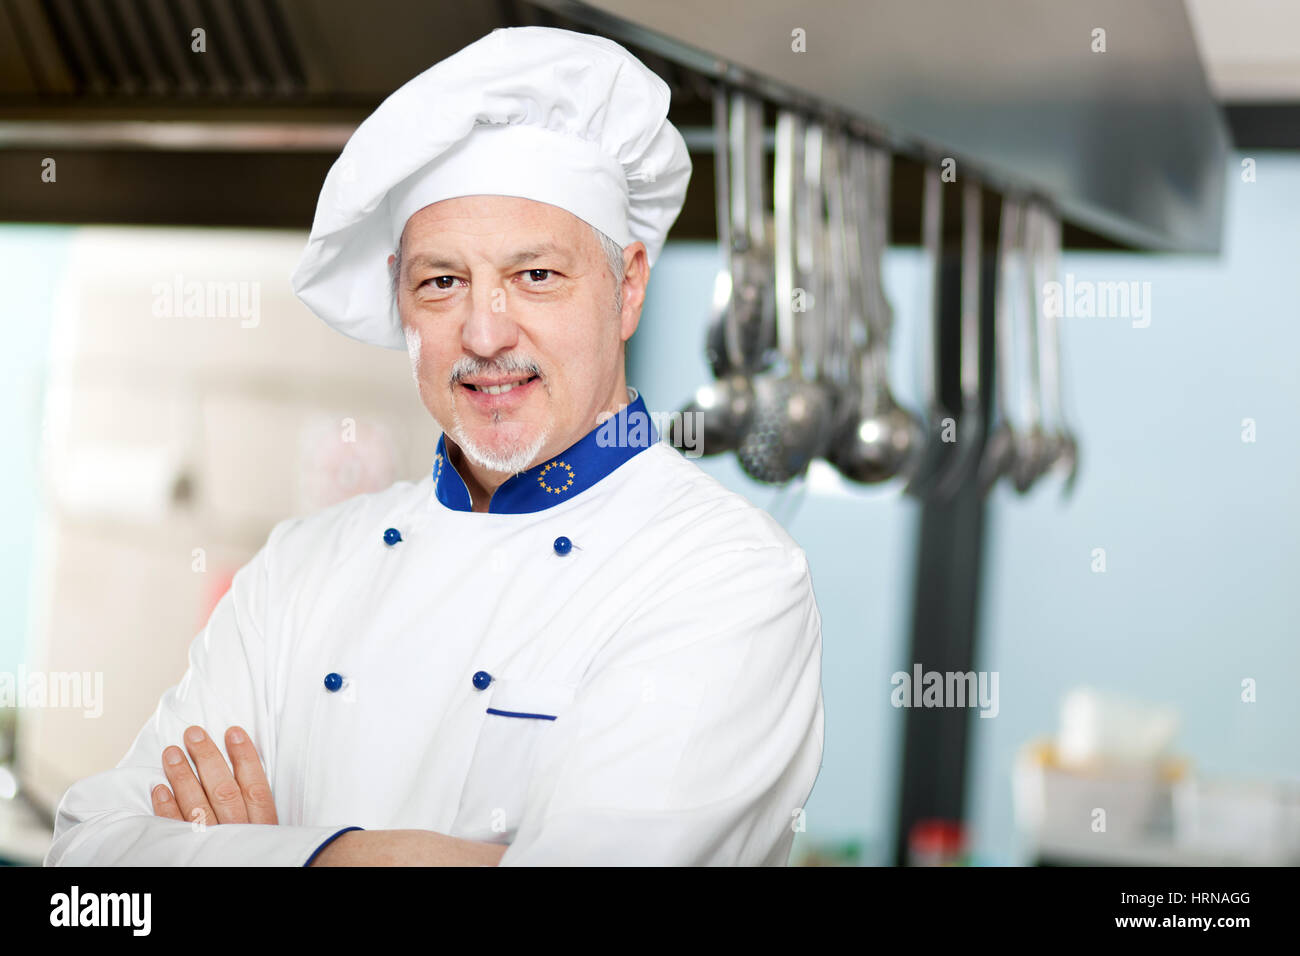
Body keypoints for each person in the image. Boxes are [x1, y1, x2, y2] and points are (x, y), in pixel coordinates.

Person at [45, 25, 824, 867]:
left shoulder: (726, 576)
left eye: (536, 276)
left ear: (627, 287)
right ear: (401, 303)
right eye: (442, 282)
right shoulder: (299, 573)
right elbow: (90, 865)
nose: (485, 334)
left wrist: (274, 854)